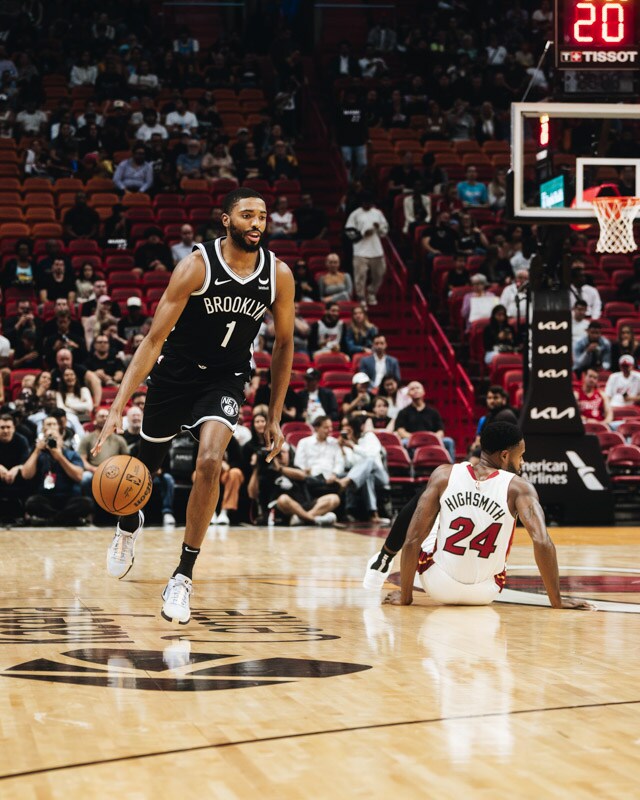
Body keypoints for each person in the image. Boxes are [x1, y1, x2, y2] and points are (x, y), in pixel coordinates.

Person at [92, 188, 295, 625]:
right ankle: (128, 524)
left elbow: (284, 344)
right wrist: (117, 405)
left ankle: (183, 575)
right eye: (247, 215)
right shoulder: (196, 267)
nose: (256, 223)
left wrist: (275, 415)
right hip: (176, 372)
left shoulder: (278, 275)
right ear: (226, 220)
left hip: (226, 377)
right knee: (145, 467)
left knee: (209, 461)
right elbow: (153, 340)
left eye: (262, 216)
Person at [363, 421, 594, 612]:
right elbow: (542, 542)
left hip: (438, 586)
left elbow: (412, 540)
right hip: (485, 592)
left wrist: (405, 598)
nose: (522, 462)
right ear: (505, 455)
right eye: (521, 456)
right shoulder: (520, 488)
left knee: (430, 516)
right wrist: (557, 601)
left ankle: (384, 557)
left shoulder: (444, 474)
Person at [21, 415, 93, 526]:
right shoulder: (39, 455)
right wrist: (37, 450)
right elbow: (26, 475)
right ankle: (66, 519)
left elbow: (78, 477)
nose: (52, 441)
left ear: (61, 438)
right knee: (32, 502)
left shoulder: (71, 454)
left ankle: (51, 520)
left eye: (55, 438)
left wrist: (60, 457)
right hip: (46, 499)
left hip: (69, 498)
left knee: (86, 503)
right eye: (49, 438)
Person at [337, 414, 390, 525]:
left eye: (349, 428)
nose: (346, 431)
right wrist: (342, 449)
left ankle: (348, 481)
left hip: (380, 475)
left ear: (355, 427)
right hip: (362, 477)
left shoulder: (369, 437)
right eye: (344, 428)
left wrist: (353, 447)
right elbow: (350, 465)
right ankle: (373, 514)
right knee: (367, 476)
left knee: (369, 460)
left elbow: (371, 455)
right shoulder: (349, 444)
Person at [394, 381, 455, 462]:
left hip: (431, 440)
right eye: (412, 389)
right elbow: (400, 430)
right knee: (403, 442)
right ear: (408, 394)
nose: (415, 390)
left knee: (449, 441)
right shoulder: (403, 412)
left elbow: (440, 430)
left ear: (423, 392)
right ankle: (408, 468)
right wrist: (416, 439)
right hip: (411, 440)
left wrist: (433, 438)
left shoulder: (433, 412)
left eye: (417, 388)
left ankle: (450, 467)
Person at [345, 195, 389, 306]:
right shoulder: (355, 214)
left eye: (369, 203)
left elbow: (385, 230)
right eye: (365, 202)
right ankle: (361, 297)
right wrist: (362, 234)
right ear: (362, 203)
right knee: (360, 275)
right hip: (360, 250)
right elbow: (349, 231)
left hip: (376, 249)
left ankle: (371, 292)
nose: (368, 205)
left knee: (380, 272)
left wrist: (378, 227)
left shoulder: (377, 213)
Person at [78, 406, 129, 495]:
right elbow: (82, 459)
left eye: (107, 416)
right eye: (101, 416)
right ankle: (88, 502)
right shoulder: (87, 439)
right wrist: (93, 469)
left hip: (114, 471)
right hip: (93, 471)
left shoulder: (119, 440)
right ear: (95, 420)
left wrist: (116, 470)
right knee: (85, 478)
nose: (105, 418)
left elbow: (126, 460)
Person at [0, 413, 30, 520]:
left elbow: (26, 462)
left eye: (8, 427)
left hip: (17, 476)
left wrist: (16, 469)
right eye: (2, 427)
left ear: (13, 428)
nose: (5, 431)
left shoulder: (22, 440)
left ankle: (27, 512)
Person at [472, 386, 519, 450]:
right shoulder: (488, 416)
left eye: (495, 398)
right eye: (489, 398)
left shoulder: (506, 415)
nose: (492, 401)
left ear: (504, 400)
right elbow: (480, 437)